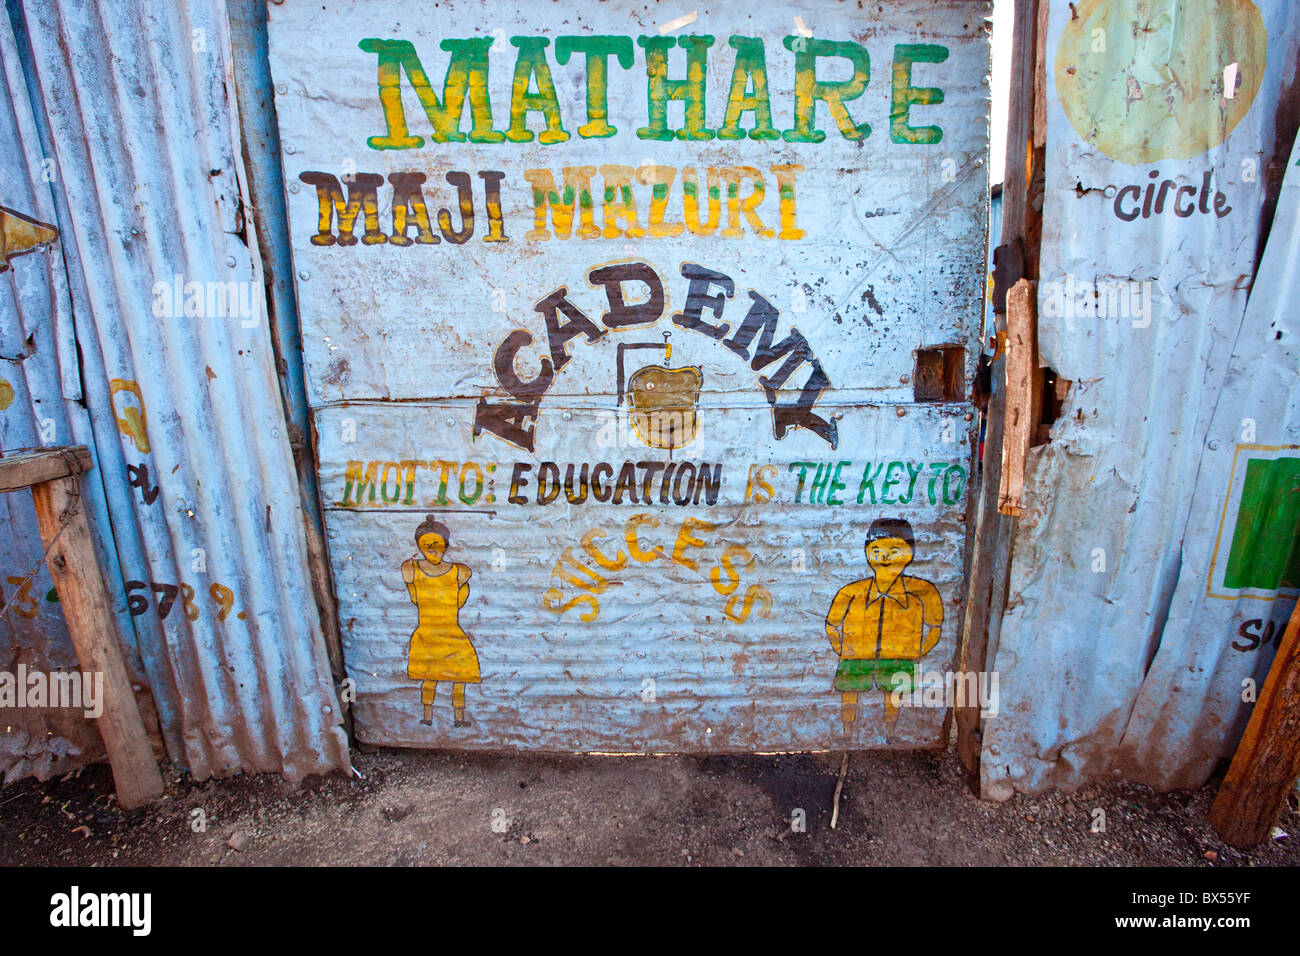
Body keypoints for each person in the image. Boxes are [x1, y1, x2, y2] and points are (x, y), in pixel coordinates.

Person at [824, 518, 943, 734]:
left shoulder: (923, 591)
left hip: (899, 656)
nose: (885, 557)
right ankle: (846, 734)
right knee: (850, 693)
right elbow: (832, 624)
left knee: (894, 696)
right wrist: (842, 650)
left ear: (910, 554)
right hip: (856, 655)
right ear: (867, 552)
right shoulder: (851, 592)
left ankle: (890, 733)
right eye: (876, 549)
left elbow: (935, 626)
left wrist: (918, 652)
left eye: (895, 550)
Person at [401, 516, 479, 726]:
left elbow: (460, 600)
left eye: (436, 545)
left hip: (452, 632)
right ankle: (427, 717)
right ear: (419, 546)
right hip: (427, 633)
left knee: (460, 676)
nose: (432, 549)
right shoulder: (412, 571)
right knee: (429, 677)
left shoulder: (460, 572)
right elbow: (415, 598)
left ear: (445, 545)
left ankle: (459, 717)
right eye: (426, 545)